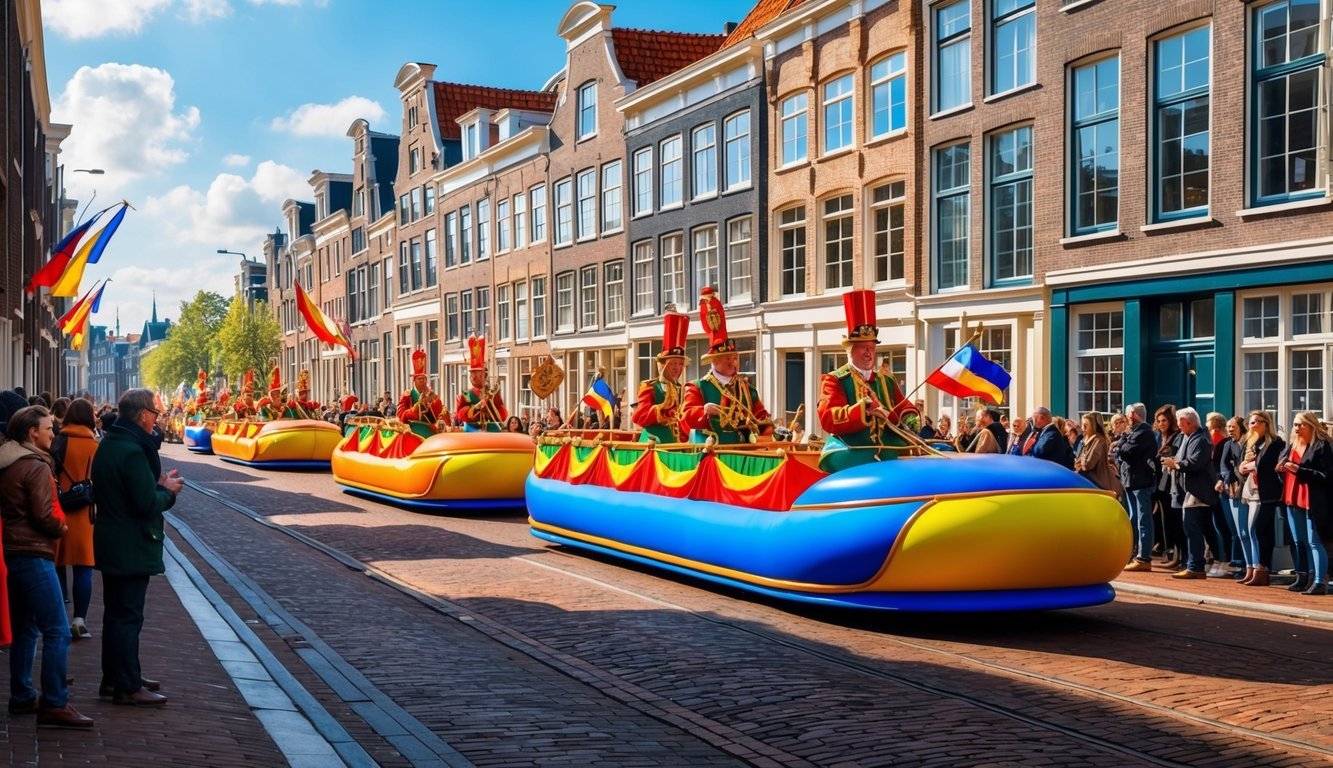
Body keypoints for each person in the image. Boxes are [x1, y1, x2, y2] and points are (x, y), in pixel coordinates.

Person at [0, 405, 93, 728]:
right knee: (56, 629)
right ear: (32, 433)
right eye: (48, 429)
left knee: (25, 629)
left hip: (13, 550)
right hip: (35, 552)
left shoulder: (8, 462)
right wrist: (61, 526)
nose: (53, 434)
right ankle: (54, 702)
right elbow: (43, 513)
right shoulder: (36, 466)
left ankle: (22, 695)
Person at [91, 388, 182, 707]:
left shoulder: (110, 444)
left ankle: (115, 676)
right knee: (128, 616)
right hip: (130, 543)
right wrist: (167, 492)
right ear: (143, 414)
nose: (157, 419)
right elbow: (144, 504)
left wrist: (154, 484)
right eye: (156, 413)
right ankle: (127, 686)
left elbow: (125, 491)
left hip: (112, 539)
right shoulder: (131, 451)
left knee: (116, 614)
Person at [815, 290, 919, 470]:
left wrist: (910, 417)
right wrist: (863, 410)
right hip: (850, 451)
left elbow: (903, 406)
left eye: (871, 347)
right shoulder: (835, 380)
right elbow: (828, 418)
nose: (868, 353)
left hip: (888, 451)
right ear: (851, 350)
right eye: (863, 347)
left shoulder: (886, 380)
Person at [683, 287, 773, 444]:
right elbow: (687, 416)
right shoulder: (698, 387)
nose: (733, 362)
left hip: (743, 451)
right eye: (727, 359)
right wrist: (704, 412)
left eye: (734, 358)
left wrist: (768, 426)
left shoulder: (746, 387)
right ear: (715, 361)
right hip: (711, 452)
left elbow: (759, 414)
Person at [53, 399, 99, 640]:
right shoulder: (96, 446)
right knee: (84, 569)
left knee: (58, 565)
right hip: (86, 515)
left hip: (59, 510)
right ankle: (79, 619)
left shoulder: (58, 441)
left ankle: (59, 616)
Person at [1276, 411, 1331, 594]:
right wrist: (1280, 470)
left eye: (1301, 424)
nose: (1297, 428)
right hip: (1291, 498)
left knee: (1314, 542)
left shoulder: (1322, 446)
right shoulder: (1291, 445)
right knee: (1299, 541)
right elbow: (1282, 468)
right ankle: (1302, 577)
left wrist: (1300, 470)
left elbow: (1326, 476)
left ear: (1311, 425)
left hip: (1311, 500)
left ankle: (1319, 581)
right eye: (1295, 424)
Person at [1160, 407, 1217, 579]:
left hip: (1198, 491)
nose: (1178, 425)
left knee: (1193, 528)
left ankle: (1196, 567)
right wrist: (1173, 462)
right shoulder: (1189, 437)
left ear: (1190, 423)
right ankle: (1196, 565)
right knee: (1198, 529)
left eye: (1181, 422)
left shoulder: (1200, 439)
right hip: (1190, 490)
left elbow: (1195, 462)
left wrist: (1176, 465)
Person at [1237, 410, 1285, 587]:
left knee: (1259, 529)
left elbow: (1271, 467)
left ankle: (1262, 568)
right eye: (1251, 422)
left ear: (1266, 423)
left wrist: (1252, 464)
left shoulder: (1275, 444)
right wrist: (1242, 467)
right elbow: (1239, 466)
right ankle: (1253, 568)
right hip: (1250, 490)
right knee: (1251, 531)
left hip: (1266, 494)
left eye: (1257, 422)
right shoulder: (1250, 443)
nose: (1252, 425)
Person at [632, 308, 689, 443]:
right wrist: (662, 409)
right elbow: (639, 417)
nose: (677, 368)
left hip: (677, 444)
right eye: (673, 363)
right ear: (662, 366)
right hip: (654, 444)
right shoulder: (649, 387)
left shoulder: (683, 389)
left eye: (680, 364)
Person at [1115, 403, 1160, 572]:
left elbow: (1126, 451)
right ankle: (1134, 553)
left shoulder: (1143, 432)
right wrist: (1123, 442)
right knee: (1134, 519)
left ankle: (1143, 557)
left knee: (1143, 520)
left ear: (1133, 415)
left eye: (1127, 415)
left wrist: (1122, 441)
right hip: (1131, 480)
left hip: (1141, 482)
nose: (1126, 419)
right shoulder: (1135, 432)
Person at [1217, 415, 1250, 580]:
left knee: (1244, 530)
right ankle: (1238, 562)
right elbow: (1223, 465)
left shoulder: (1247, 443)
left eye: (1233, 427)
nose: (1230, 429)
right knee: (1234, 529)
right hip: (1230, 490)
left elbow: (1243, 465)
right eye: (1228, 427)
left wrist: (1234, 477)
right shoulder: (1228, 444)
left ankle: (1245, 563)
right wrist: (1226, 478)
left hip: (1244, 490)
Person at [1153, 405, 1186, 569]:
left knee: (1176, 521)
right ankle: (1170, 552)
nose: (1161, 423)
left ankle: (1180, 556)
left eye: (1164, 420)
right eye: (1158, 421)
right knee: (1165, 521)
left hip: (1173, 483)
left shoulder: (1177, 437)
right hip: (1160, 483)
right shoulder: (1158, 436)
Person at [454, 334, 508, 431]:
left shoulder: (492, 392)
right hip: (472, 429)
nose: (473, 376)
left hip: (491, 429)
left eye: (477, 373)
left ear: (484, 375)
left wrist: (490, 406)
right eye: (472, 373)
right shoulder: (466, 393)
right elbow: (460, 414)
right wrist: (475, 407)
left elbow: (502, 413)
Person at [1075, 412, 1122, 499]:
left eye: (1086, 425)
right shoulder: (1084, 440)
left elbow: (1088, 464)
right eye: (1082, 425)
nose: (1083, 428)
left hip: (1098, 482)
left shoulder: (1098, 440)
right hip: (1088, 481)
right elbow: (1077, 463)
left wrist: (1081, 460)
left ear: (1093, 425)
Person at [399, 350, 444, 438]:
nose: (422, 381)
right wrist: (418, 406)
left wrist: (434, 401)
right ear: (414, 380)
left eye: (424, 379)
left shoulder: (431, 394)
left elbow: (438, 414)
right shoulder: (407, 395)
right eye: (419, 379)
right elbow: (401, 415)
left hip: (430, 429)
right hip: (412, 429)